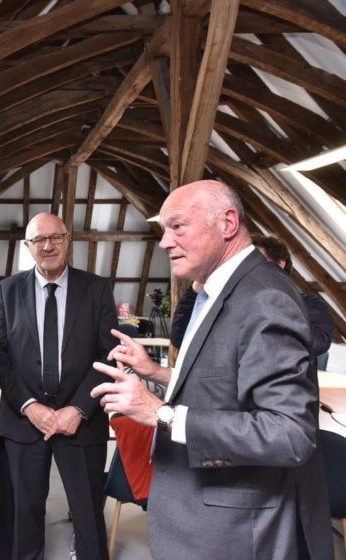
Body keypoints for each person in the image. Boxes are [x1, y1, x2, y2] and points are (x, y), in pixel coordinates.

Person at [91, 180, 329, 560]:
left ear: (228, 223)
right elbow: (222, 387)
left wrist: (161, 414)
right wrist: (153, 371)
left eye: (178, 226)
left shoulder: (264, 296)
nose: (165, 242)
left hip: (232, 533)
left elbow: (289, 433)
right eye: (164, 229)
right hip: (200, 520)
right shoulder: (214, 292)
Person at [168, 233, 334, 559]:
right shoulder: (226, 302)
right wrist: (197, 289)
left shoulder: (292, 301)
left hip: (275, 445)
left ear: (278, 265)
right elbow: (180, 333)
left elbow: (314, 341)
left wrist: (261, 321)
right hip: (236, 447)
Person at [0, 212, 117, 560]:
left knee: (88, 515)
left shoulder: (97, 289)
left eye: (55, 237)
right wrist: (29, 405)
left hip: (82, 422)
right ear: (28, 246)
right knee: (24, 514)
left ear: (67, 239)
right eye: (38, 240)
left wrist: (78, 409)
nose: (48, 246)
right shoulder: (7, 290)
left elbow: (110, 354)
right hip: (25, 421)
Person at [170, 234, 333, 356]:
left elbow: (318, 342)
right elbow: (180, 338)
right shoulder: (230, 302)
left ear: (280, 264)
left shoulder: (308, 303)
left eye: (256, 261)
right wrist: (196, 291)